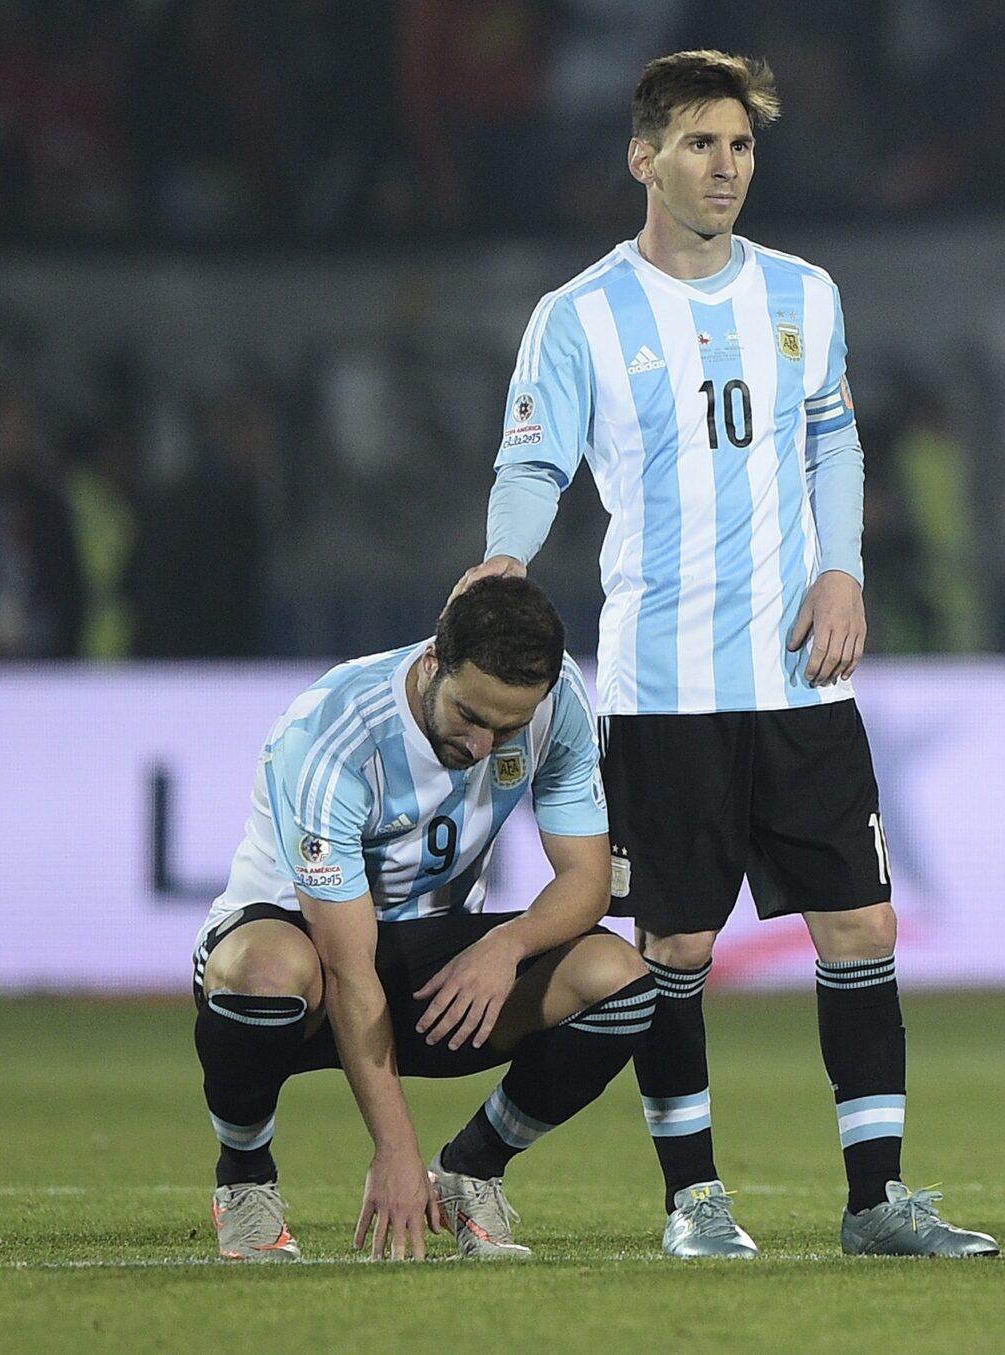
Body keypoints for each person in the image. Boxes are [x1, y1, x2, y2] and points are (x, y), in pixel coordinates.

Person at [467, 51, 996, 1259]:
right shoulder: (582, 314)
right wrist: (505, 559)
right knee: (677, 948)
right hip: (663, 688)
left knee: (862, 926)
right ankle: (694, 1199)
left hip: (799, 674)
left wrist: (843, 566)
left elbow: (834, 440)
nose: (726, 168)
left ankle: (877, 1202)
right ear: (642, 156)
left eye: (742, 145)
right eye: (701, 144)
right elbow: (534, 460)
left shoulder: (805, 292)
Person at [193, 576, 655, 1261]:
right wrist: (395, 1151)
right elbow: (349, 966)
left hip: (425, 965)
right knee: (268, 972)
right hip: (305, 962)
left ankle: (472, 1166)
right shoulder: (331, 735)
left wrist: (507, 945)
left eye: (506, 727)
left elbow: (587, 881)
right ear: (436, 657)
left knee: (618, 978)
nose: (481, 745)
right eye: (470, 715)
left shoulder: (557, 704)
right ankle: (245, 1177)